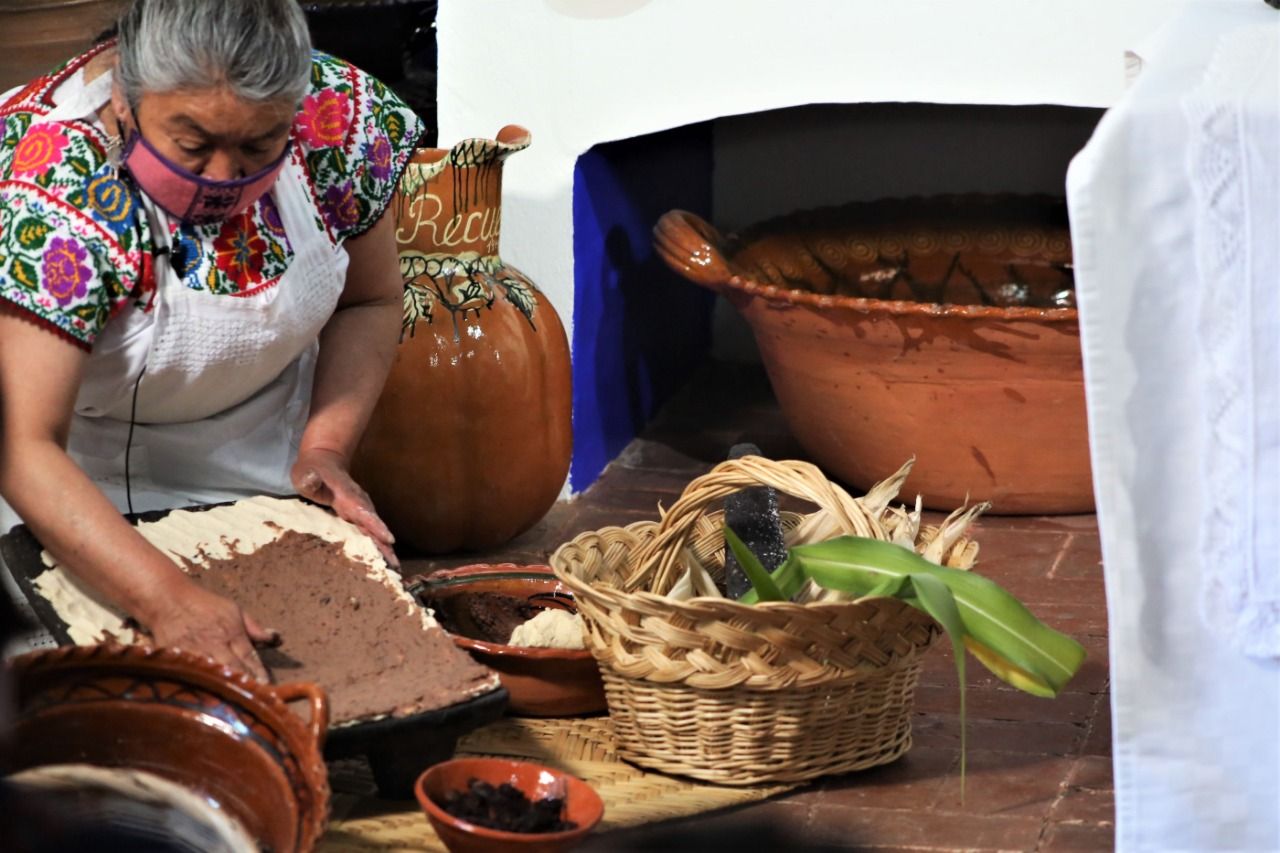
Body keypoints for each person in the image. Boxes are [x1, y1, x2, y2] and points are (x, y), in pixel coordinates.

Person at [0, 0, 421, 681]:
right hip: (73, 491)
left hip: (266, 476)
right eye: (194, 145)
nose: (225, 178)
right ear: (125, 101)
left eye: (259, 146)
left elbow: (370, 300)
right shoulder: (54, 180)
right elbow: (21, 444)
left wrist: (326, 447)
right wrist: (167, 599)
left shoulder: (333, 120)